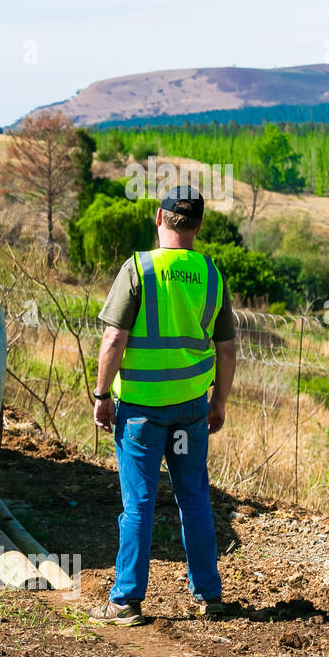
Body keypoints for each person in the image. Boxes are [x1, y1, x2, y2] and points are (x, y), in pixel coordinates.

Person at [89, 185, 237, 626]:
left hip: (140, 412)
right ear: (199, 226)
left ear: (159, 217)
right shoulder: (212, 274)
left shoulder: (139, 268)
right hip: (190, 411)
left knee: (139, 504)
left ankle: (127, 602)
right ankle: (209, 596)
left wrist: (100, 395)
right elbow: (227, 350)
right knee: (194, 501)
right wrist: (218, 403)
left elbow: (115, 338)